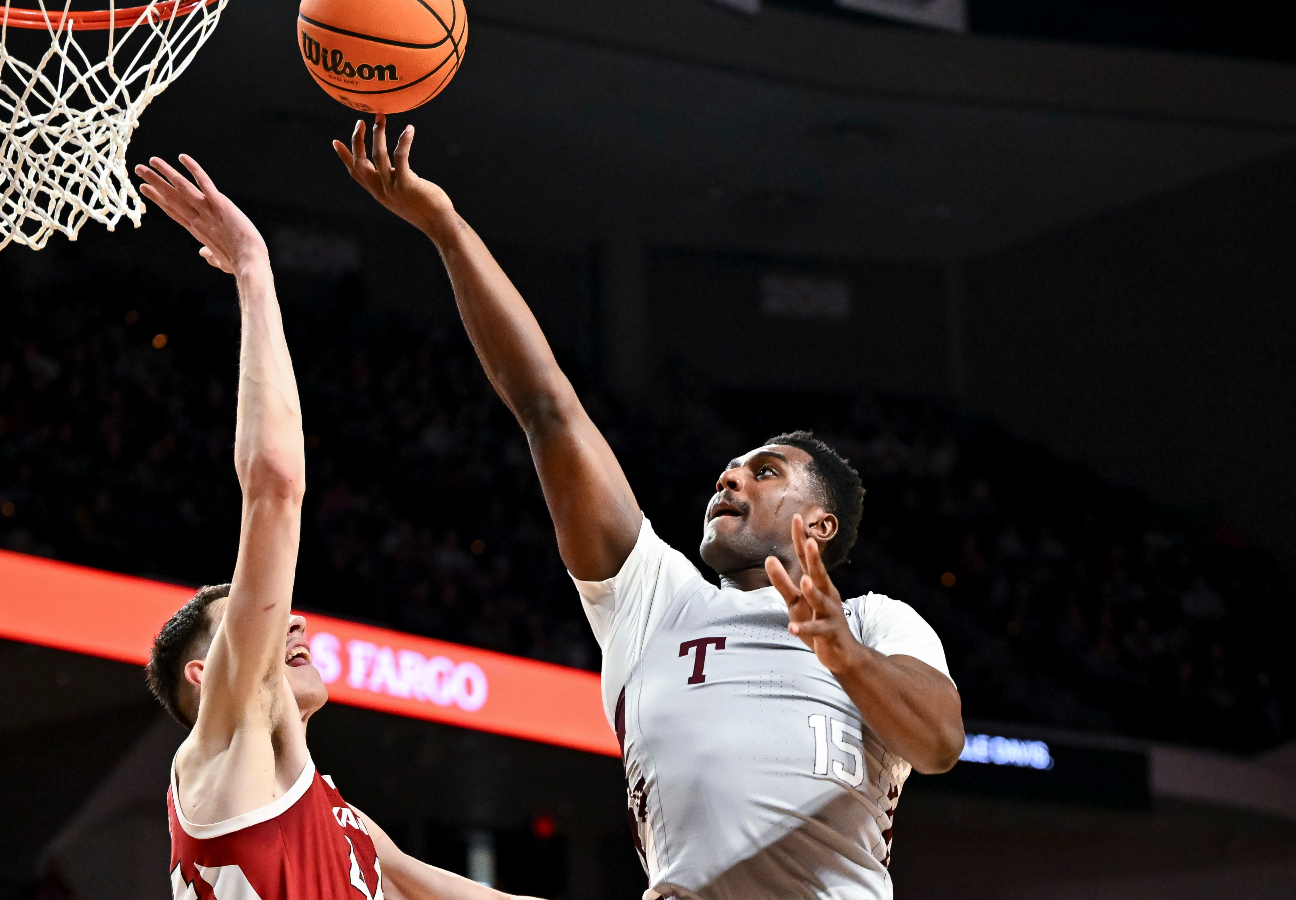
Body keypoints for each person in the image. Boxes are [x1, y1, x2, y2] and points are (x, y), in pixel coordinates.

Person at [334, 117, 966, 900]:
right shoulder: (654, 601)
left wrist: (844, 655)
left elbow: (939, 744)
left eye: (763, 472)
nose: (728, 482)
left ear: (822, 524)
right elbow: (546, 408)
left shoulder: (879, 623)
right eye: (726, 472)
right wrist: (444, 227)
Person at [133, 155, 539, 900]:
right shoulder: (221, 748)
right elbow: (275, 488)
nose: (290, 621)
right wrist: (254, 272)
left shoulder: (347, 828)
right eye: (253, 624)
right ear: (207, 674)